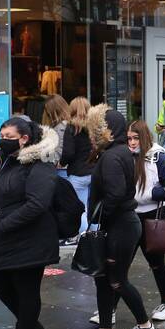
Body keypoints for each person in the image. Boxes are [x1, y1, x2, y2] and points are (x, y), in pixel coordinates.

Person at [74, 106, 159, 329]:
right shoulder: (117, 152)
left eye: (96, 129)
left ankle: (145, 326)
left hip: (120, 225)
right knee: (104, 279)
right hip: (120, 224)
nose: (92, 134)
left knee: (116, 281)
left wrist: (100, 217)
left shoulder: (112, 156)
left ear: (106, 130)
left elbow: (116, 193)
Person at [0, 116, 60, 329]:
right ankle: (30, 325)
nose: (3, 142)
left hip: (30, 240)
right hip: (4, 239)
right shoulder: (7, 160)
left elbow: (37, 203)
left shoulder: (41, 164)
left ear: (24, 139)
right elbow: (3, 191)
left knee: (26, 290)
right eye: (2, 137)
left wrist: (5, 224)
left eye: (9, 138)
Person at [128, 119, 165, 321]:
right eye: (129, 138)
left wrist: (149, 194)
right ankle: (109, 310)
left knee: (157, 263)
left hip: (153, 216)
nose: (132, 143)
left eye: (136, 138)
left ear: (145, 137)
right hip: (130, 216)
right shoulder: (126, 157)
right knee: (120, 265)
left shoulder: (160, 159)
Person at [60, 96, 93, 236]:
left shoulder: (71, 128)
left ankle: (84, 237)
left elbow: (69, 152)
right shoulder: (95, 126)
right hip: (95, 172)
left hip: (78, 173)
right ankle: (95, 236)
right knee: (93, 207)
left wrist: (62, 162)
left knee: (80, 208)